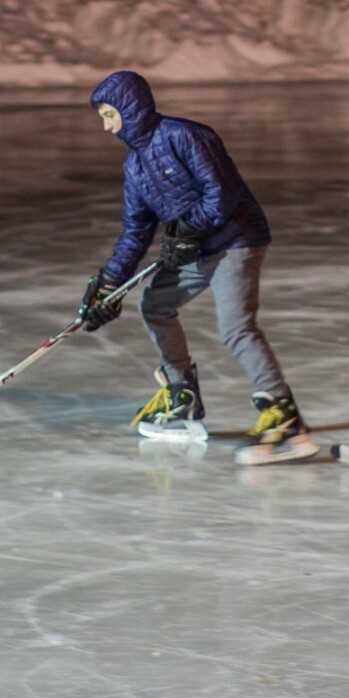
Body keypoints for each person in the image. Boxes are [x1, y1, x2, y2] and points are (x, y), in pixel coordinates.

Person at [77, 70, 316, 465]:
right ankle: (181, 395)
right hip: (198, 249)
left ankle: (285, 418)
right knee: (155, 305)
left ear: (129, 108)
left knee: (236, 327)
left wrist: (187, 230)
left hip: (237, 241)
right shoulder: (135, 168)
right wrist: (108, 284)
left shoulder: (184, 136)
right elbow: (136, 231)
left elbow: (222, 192)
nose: (106, 126)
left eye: (109, 115)